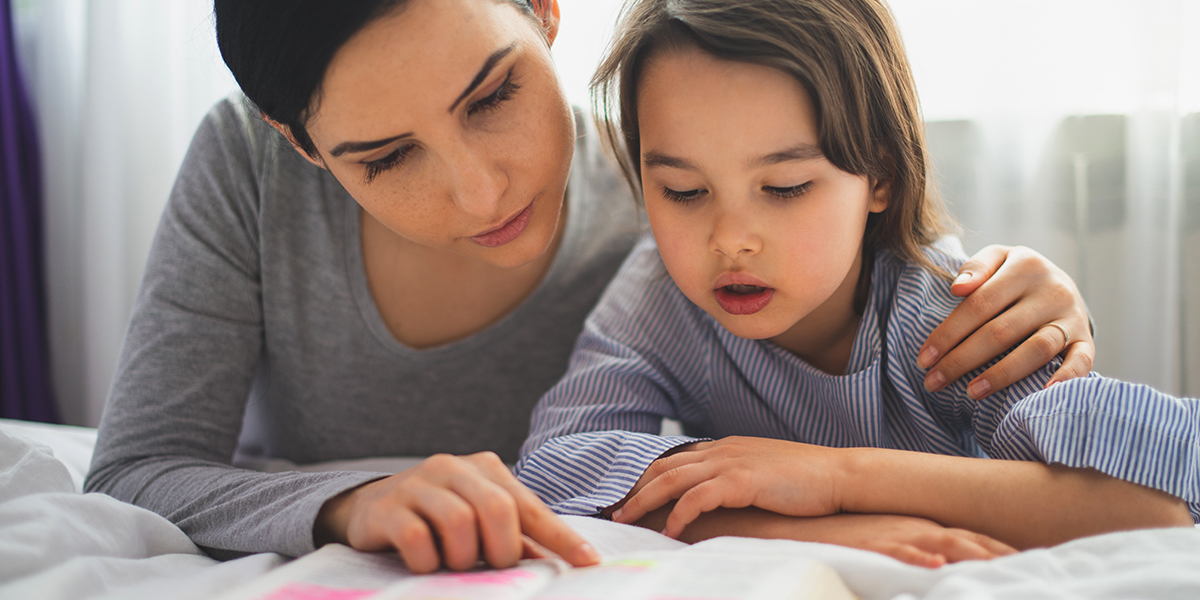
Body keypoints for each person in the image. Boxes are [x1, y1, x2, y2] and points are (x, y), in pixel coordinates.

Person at [86, 0, 1098, 574]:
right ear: (299, 142)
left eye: (494, 95)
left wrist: (1030, 297)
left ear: (544, 9)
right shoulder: (247, 168)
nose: (483, 191)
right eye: (386, 157)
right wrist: (352, 501)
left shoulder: (679, 195)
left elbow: (877, 257)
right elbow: (137, 468)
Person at [515, 0, 1198, 569]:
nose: (730, 239)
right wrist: (808, 530)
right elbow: (554, 467)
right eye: (683, 191)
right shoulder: (660, 293)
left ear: (881, 176)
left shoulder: (947, 311)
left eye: (785, 187)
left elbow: (1153, 505)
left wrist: (834, 478)